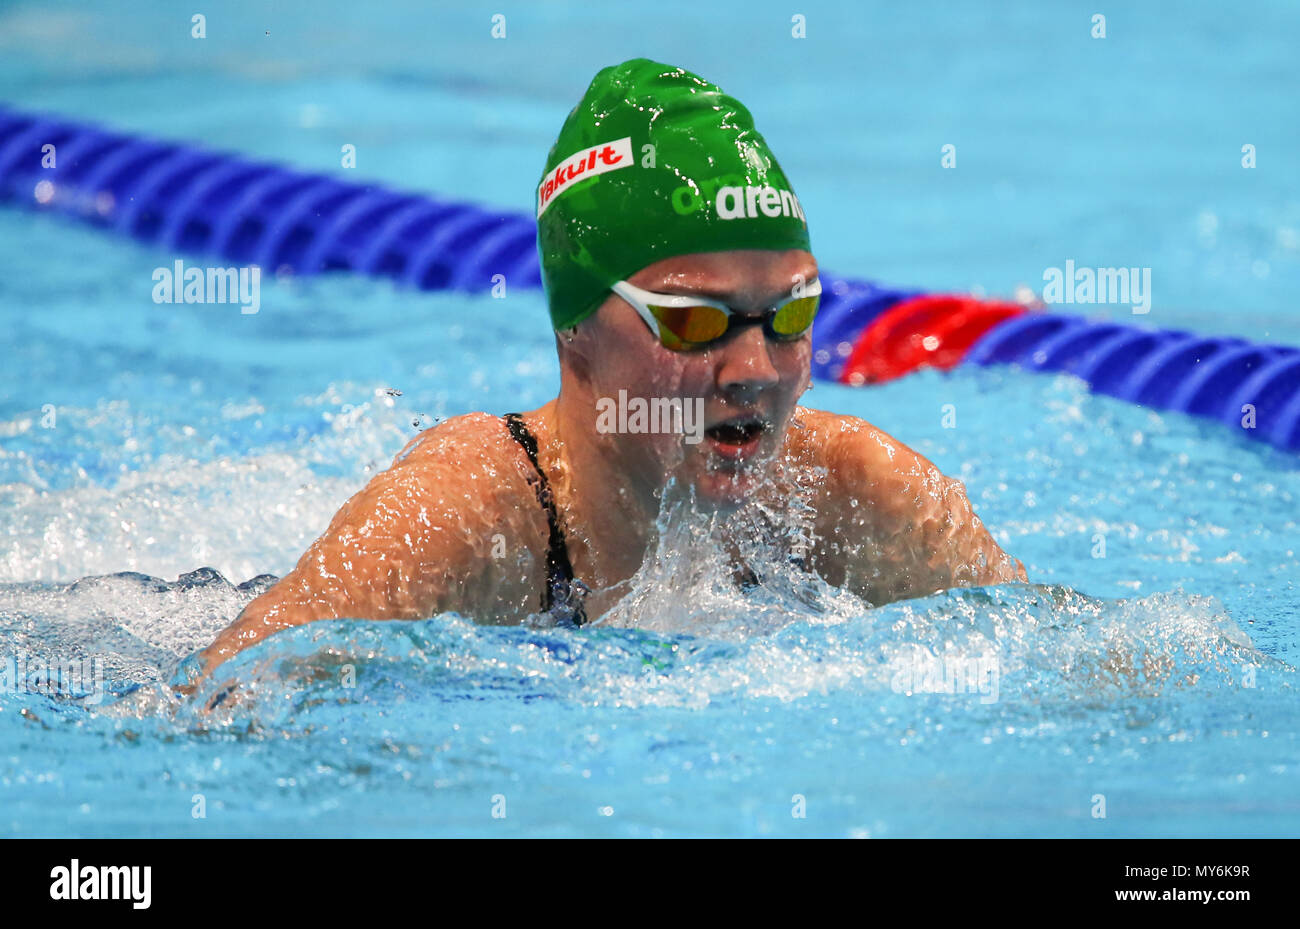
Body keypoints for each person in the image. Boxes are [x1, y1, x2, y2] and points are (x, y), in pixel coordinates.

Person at [197, 58, 1025, 676]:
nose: (754, 370)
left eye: (791, 314)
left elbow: (1067, 662)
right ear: (576, 330)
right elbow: (223, 695)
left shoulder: (855, 491)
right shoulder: (471, 515)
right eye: (695, 321)